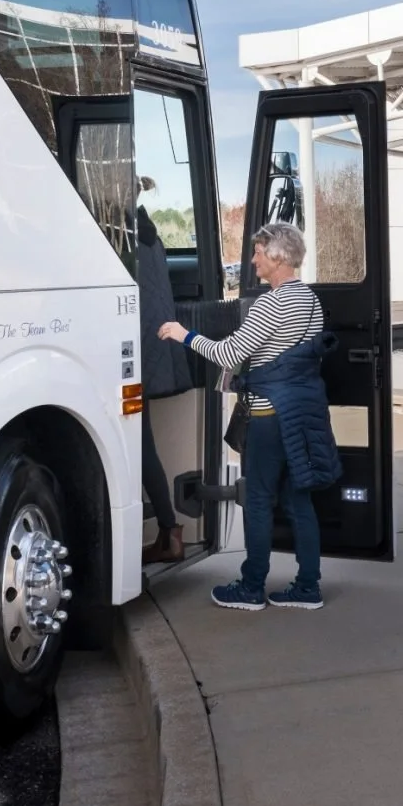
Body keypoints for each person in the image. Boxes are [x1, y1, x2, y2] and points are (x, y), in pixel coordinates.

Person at [159, 222, 340, 611]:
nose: (253, 259)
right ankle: (308, 587)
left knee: (258, 500)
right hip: (302, 414)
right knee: (299, 502)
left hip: (269, 416)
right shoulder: (310, 300)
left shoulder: (271, 304)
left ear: (277, 256)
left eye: (258, 252)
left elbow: (229, 354)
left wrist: (183, 334)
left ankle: (251, 586)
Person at [135, 205, 192, 565]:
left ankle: (169, 531)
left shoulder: (117, 235)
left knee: (140, 446)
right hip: (149, 352)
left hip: (130, 353)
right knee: (142, 446)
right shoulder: (147, 233)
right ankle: (168, 531)